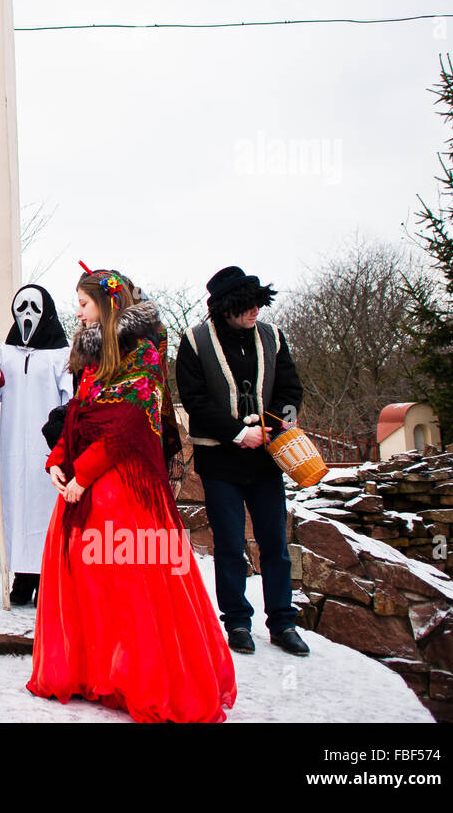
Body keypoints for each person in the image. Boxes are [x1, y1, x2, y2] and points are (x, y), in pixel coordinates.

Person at [28, 268, 237, 723]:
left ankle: (141, 679)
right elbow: (77, 415)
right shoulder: (86, 353)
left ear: (106, 304)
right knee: (91, 586)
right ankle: (97, 672)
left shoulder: (141, 350)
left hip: (123, 488)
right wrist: (57, 464)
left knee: (131, 586)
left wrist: (82, 474)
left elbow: (127, 424)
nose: (77, 312)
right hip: (83, 485)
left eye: (83, 304)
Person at [175, 266, 309, 656]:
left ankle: (283, 622)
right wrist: (238, 432)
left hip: (266, 458)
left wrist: (279, 423)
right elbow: (195, 399)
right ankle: (236, 621)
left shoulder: (273, 336)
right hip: (220, 461)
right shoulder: (195, 341)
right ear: (226, 309)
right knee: (231, 545)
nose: (255, 312)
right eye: (247, 306)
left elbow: (290, 387)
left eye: (258, 304)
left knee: (275, 544)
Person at [0, 284, 73, 605]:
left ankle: (47, 576)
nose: (28, 314)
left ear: (46, 311)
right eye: (22, 307)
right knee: (17, 510)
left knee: (44, 511)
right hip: (13, 447)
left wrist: (63, 439)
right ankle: (21, 576)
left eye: (34, 307)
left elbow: (70, 399)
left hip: (48, 447)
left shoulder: (62, 355)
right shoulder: (6, 352)